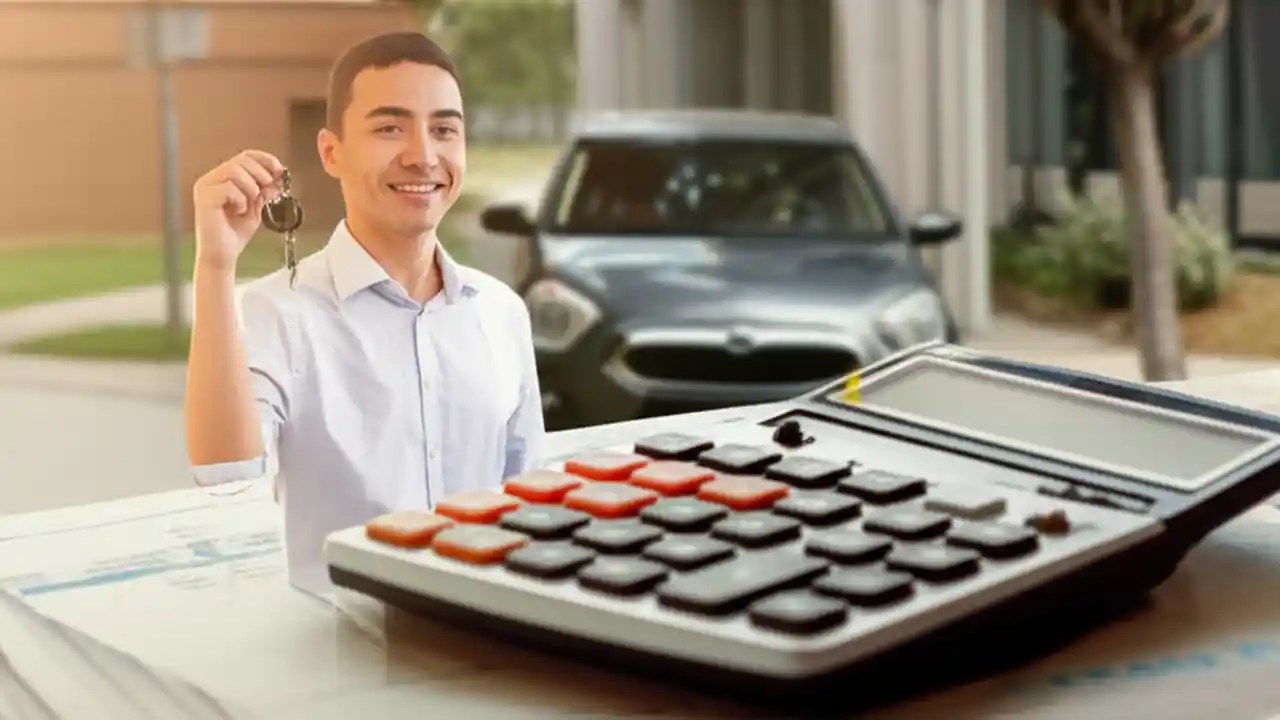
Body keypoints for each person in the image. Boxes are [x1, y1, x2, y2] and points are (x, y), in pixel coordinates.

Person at [183, 31, 545, 598]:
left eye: (444, 129)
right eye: (389, 128)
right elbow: (224, 466)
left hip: (487, 640)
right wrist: (214, 266)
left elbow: (525, 503)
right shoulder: (277, 311)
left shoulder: (502, 312)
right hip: (343, 649)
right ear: (332, 152)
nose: (423, 154)